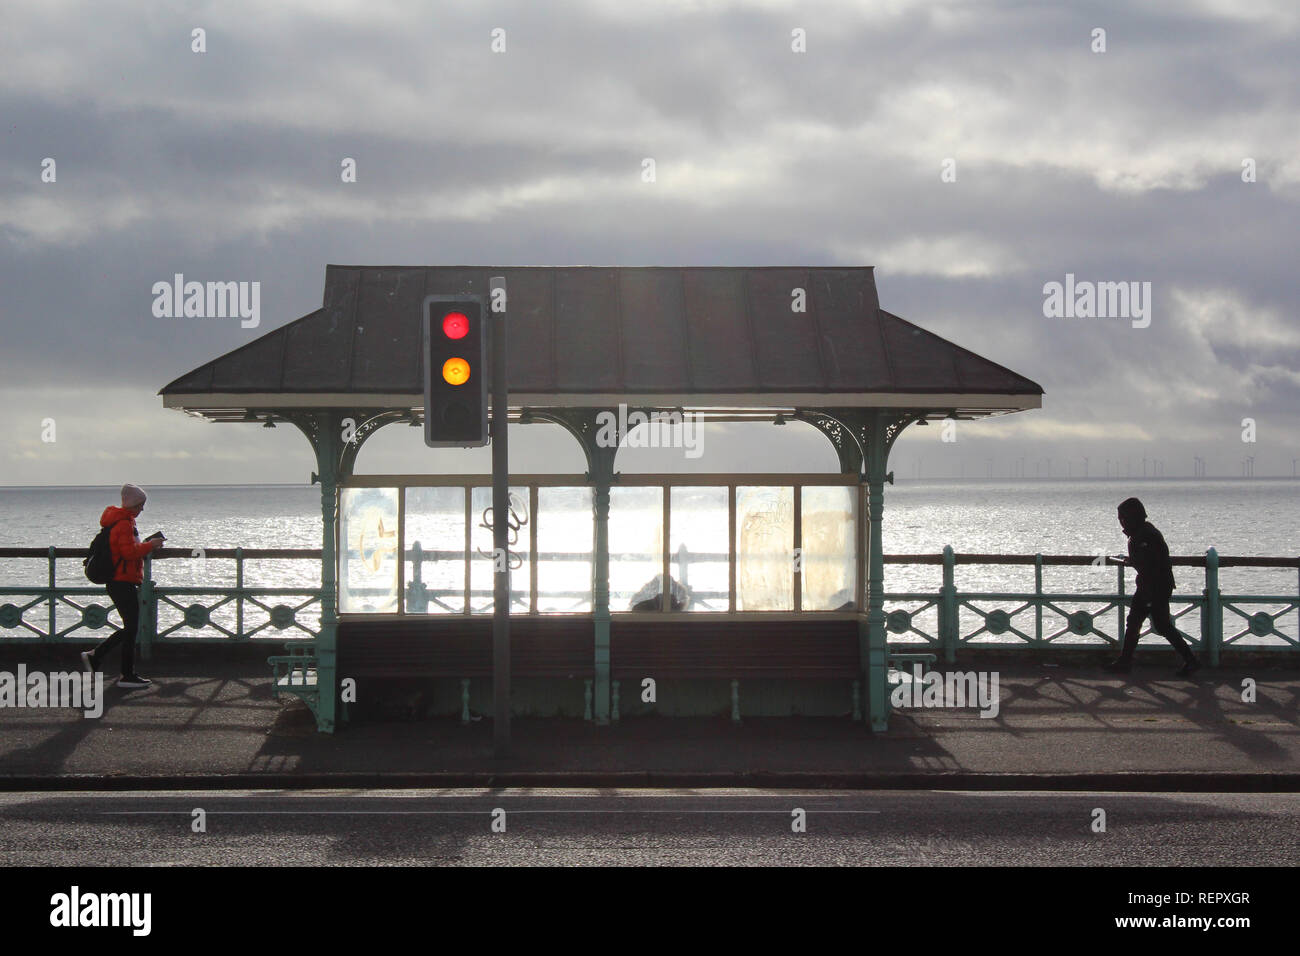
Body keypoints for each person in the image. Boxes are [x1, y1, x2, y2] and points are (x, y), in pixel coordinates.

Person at [1104, 497, 1201, 677]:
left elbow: (1151, 563)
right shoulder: (1143, 532)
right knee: (1144, 623)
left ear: (1133, 516)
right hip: (1153, 585)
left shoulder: (1145, 535)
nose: (1121, 522)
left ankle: (1190, 660)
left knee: (1154, 624)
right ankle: (1125, 661)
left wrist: (1134, 561)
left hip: (1153, 587)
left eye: (1123, 518)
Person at [80, 483, 164, 688]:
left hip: (119, 580)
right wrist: (150, 545)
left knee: (130, 626)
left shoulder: (119, 522)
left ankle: (107, 662)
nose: (142, 509)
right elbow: (129, 553)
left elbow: (125, 549)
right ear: (133, 504)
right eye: (140, 505)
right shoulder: (124, 524)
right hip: (121, 581)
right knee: (131, 627)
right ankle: (119, 670)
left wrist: (144, 544)